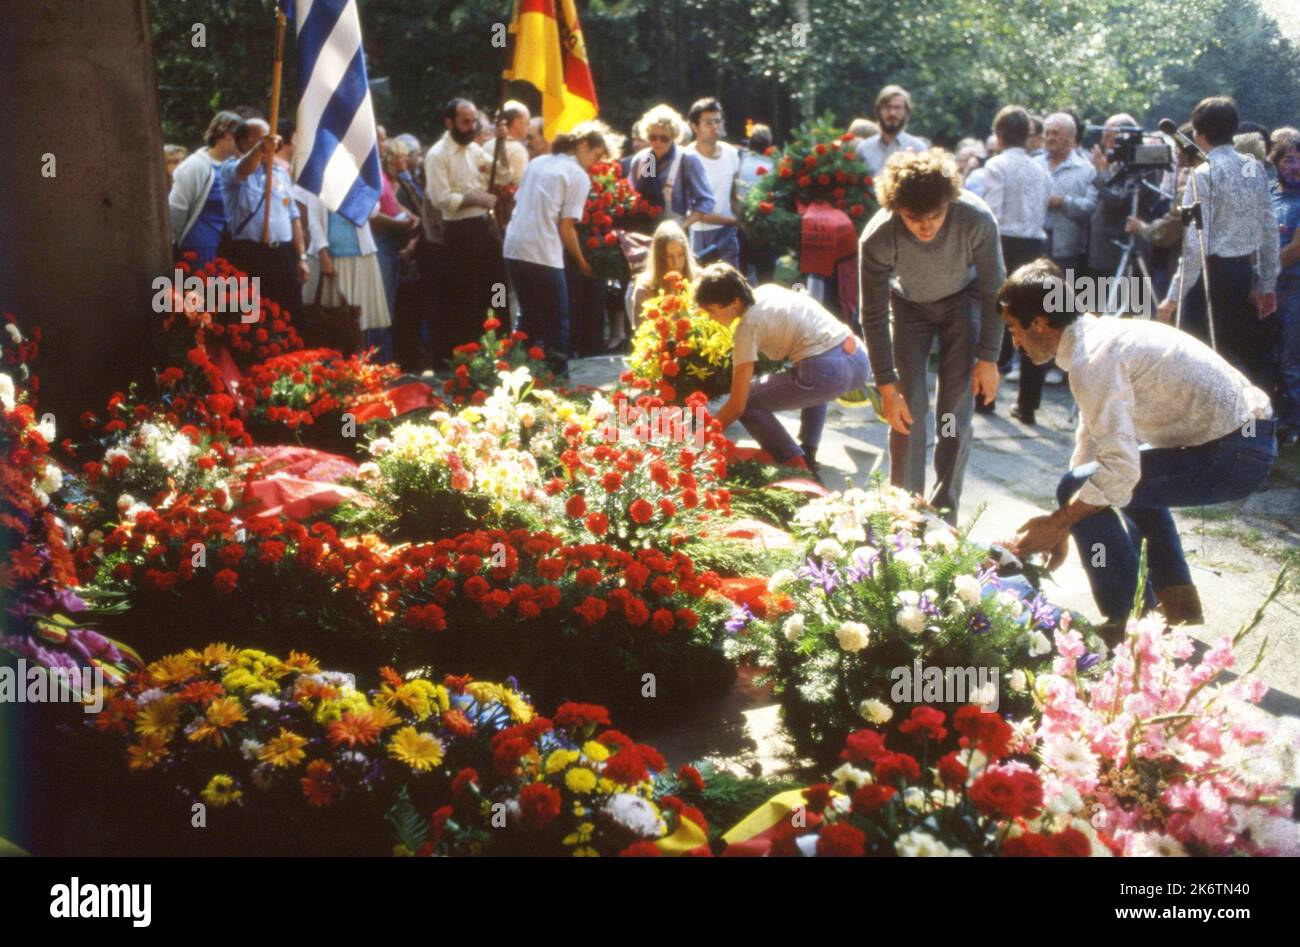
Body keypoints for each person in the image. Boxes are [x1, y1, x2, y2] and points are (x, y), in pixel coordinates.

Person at [1003, 259, 1275, 642]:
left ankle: (1130, 625)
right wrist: (1066, 518)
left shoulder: (1093, 357)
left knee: (1110, 481)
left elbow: (1115, 471)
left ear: (1039, 323)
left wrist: (1063, 518)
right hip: (1244, 442)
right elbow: (1094, 443)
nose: (1013, 342)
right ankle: (1173, 607)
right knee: (1101, 483)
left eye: (1013, 328)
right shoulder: (1094, 341)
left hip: (1236, 452)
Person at [858, 148, 1006, 522]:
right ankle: (903, 511)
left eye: (935, 216)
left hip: (963, 302)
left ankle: (944, 513)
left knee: (953, 411)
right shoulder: (878, 236)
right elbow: (873, 314)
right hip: (908, 308)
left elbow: (994, 292)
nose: (925, 227)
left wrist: (988, 358)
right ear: (896, 209)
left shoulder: (976, 219)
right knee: (908, 410)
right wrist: (887, 387)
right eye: (913, 218)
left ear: (950, 202)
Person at [696, 263, 871, 478]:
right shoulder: (768, 290)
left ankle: (797, 467)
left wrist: (704, 436)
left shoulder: (748, 327)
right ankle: (808, 450)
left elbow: (737, 405)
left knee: (750, 401)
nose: (710, 317)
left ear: (734, 302)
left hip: (828, 370)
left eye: (712, 311)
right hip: (857, 358)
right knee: (810, 375)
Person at [1156, 97, 1280, 389]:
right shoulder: (1253, 168)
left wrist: (1173, 295)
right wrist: (1267, 283)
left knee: (1199, 356)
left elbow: (1193, 244)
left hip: (1209, 276)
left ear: (1199, 134)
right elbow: (1268, 229)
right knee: (1233, 352)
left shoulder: (1203, 174)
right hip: (1240, 273)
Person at [503, 121, 610, 376]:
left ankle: (512, 372)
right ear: (583, 145)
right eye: (596, 155)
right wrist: (582, 262)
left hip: (513, 247)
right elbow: (566, 228)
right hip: (541, 251)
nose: (596, 163)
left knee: (527, 315)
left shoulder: (538, 162)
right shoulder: (578, 176)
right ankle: (558, 379)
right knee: (558, 321)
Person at [424, 98, 509, 364]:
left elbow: (504, 176)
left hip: (486, 228)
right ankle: (469, 355)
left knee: (497, 286)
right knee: (466, 294)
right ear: (450, 122)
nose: (471, 126)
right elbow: (440, 198)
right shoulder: (437, 155)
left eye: (474, 121)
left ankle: (502, 344)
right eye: (465, 122)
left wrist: (502, 144)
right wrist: (474, 198)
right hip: (460, 232)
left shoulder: (475, 149)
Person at [981, 105, 1052, 422]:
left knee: (996, 321)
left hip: (1005, 245)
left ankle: (985, 398)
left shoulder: (996, 166)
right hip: (1035, 245)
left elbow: (991, 215)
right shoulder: (1041, 169)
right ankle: (1028, 405)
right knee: (1033, 323)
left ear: (998, 135)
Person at [220, 118, 309, 319]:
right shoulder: (230, 169)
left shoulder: (281, 173)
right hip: (249, 254)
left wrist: (301, 256)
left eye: (271, 138)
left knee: (289, 316)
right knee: (248, 320)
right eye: (261, 138)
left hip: (282, 255)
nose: (270, 143)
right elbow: (241, 170)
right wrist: (261, 149)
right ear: (242, 142)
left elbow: (293, 217)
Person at [310, 197, 393, 361]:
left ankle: (358, 369)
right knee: (335, 317)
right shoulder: (319, 176)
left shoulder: (358, 177)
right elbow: (314, 221)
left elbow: (374, 210)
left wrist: (357, 192)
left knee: (358, 319)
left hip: (361, 256)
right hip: (333, 258)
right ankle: (337, 370)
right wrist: (322, 252)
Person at [169, 110, 241, 268]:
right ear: (228, 134)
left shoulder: (234, 167)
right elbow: (177, 209)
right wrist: (174, 245)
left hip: (226, 250)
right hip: (198, 250)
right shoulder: (195, 166)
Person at [628, 104, 716, 227]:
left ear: (674, 137)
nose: (658, 142)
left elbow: (707, 201)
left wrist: (684, 225)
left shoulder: (687, 160)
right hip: (643, 230)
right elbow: (630, 197)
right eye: (653, 137)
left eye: (664, 138)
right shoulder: (641, 160)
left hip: (675, 232)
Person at [683, 98, 742, 268]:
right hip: (702, 235)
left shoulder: (731, 153)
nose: (715, 127)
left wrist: (749, 215)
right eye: (708, 122)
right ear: (694, 126)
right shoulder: (687, 158)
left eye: (718, 121)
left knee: (733, 287)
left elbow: (733, 195)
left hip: (729, 234)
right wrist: (735, 222)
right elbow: (698, 211)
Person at [1270, 135, 1300, 446]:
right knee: (1270, 357)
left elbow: (1295, 249)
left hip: (1294, 289)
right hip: (1268, 289)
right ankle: (1274, 419)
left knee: (1292, 362)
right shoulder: (1268, 195)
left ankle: (1294, 425)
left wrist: (1263, 274)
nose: (1296, 166)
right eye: (1289, 159)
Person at [626, 219, 696, 329]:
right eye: (669, 256)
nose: (676, 263)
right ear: (659, 259)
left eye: (681, 255)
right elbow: (641, 334)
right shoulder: (645, 289)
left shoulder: (698, 281)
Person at [856, 85, 929, 177]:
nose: (892, 113)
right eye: (887, 107)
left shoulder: (918, 148)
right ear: (878, 111)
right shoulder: (863, 149)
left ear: (906, 112)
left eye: (897, 108)